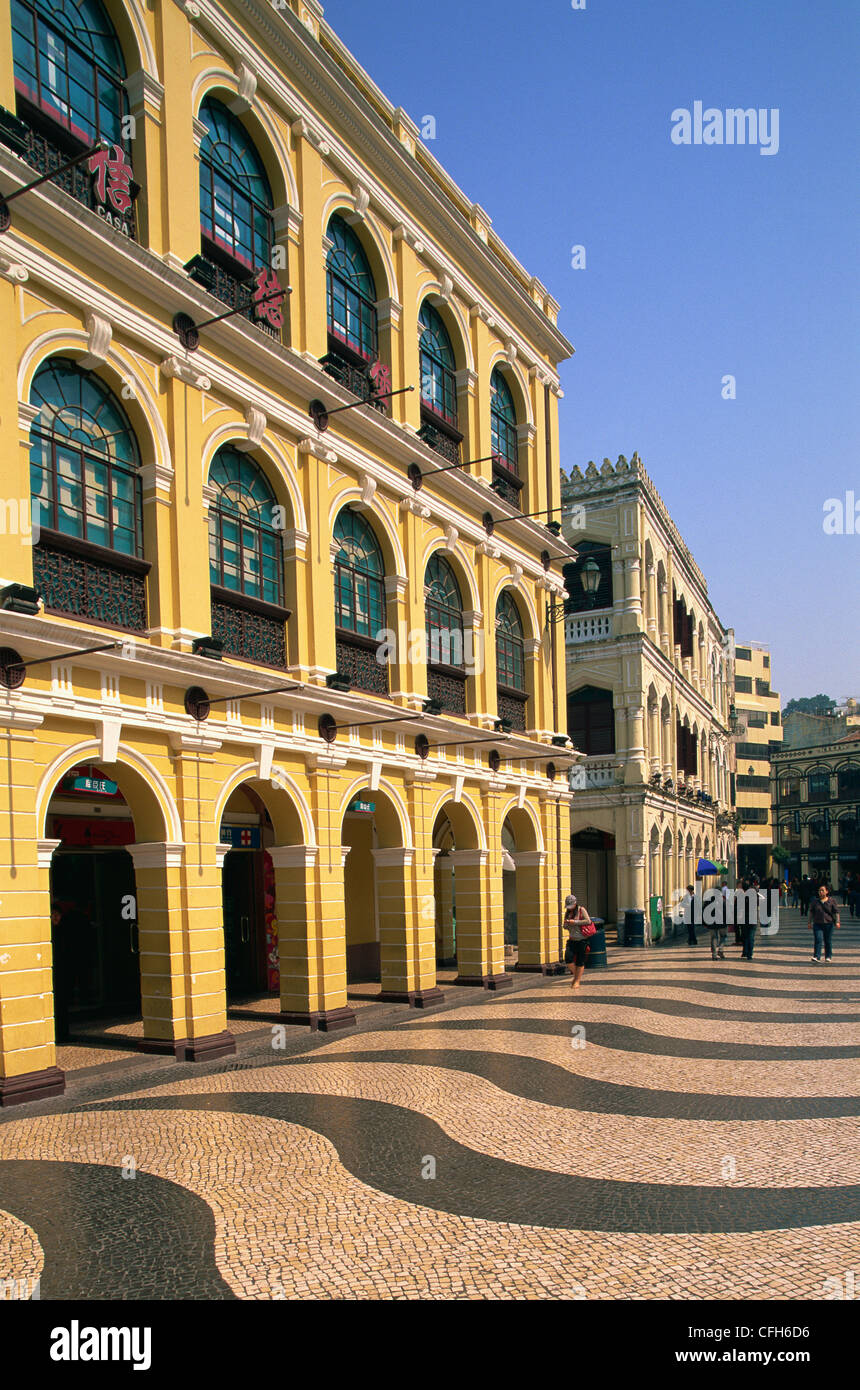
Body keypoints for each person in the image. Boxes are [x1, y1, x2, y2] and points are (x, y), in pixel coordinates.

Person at [563, 893, 593, 990]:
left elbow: (588, 921)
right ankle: (577, 976)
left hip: (582, 940)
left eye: (571, 906)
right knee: (568, 959)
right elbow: (565, 926)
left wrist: (574, 922)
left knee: (580, 961)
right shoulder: (567, 912)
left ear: (575, 904)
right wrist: (566, 924)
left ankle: (576, 981)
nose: (569, 908)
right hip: (572, 940)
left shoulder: (581, 910)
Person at [808, 882, 840, 962]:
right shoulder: (815, 902)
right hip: (817, 924)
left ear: (827, 891)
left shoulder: (832, 901)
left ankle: (828, 956)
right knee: (818, 939)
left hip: (829, 924)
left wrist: (837, 921)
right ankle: (816, 956)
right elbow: (811, 912)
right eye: (819, 891)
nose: (820, 892)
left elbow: (836, 912)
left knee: (827, 940)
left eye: (822, 890)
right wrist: (809, 922)